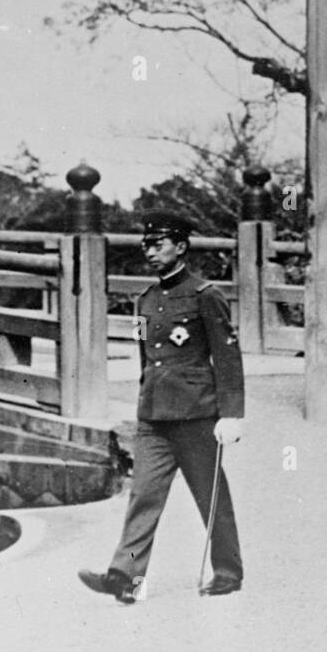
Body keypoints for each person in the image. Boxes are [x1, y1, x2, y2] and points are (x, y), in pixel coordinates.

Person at [78, 210, 245, 603]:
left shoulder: (207, 295)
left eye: (158, 244)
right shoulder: (145, 300)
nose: (150, 251)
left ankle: (227, 570)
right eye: (146, 245)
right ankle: (125, 576)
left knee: (211, 496)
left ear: (181, 247)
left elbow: (227, 356)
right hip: (154, 417)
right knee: (143, 496)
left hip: (196, 414)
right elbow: (145, 358)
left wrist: (232, 414)